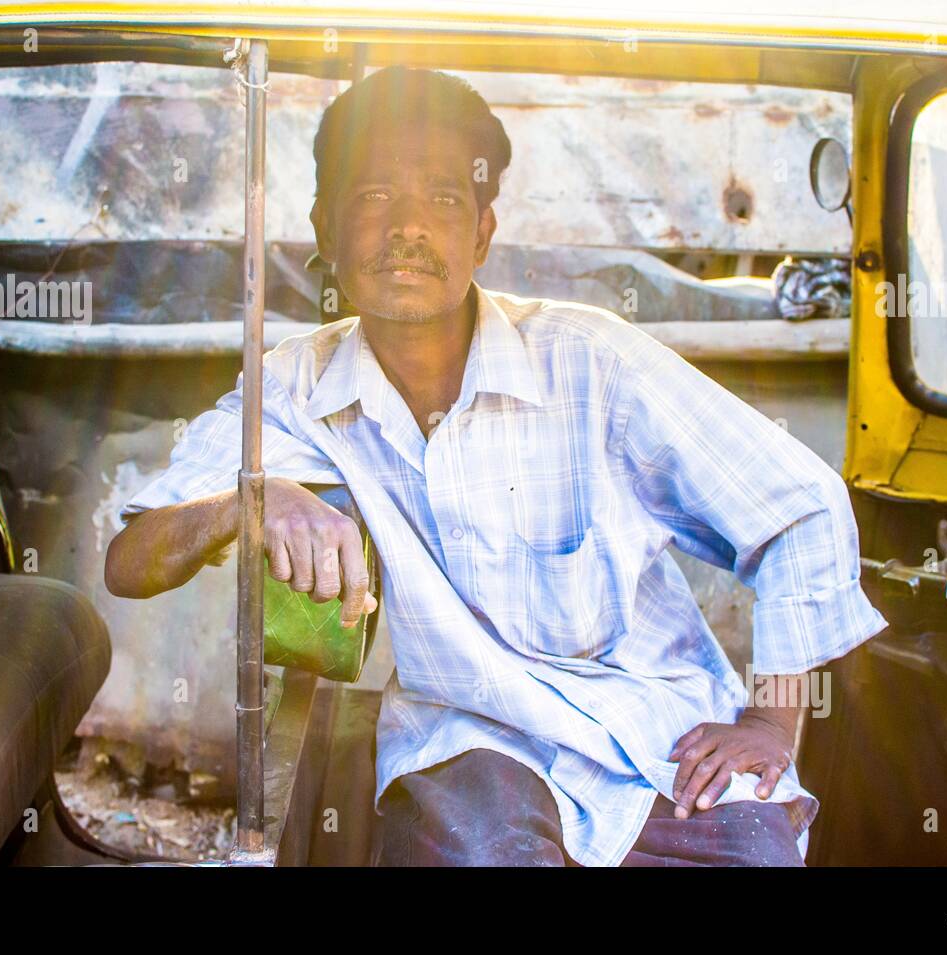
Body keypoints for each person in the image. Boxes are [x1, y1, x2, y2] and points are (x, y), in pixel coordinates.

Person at [104, 66, 887, 867]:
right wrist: (253, 498)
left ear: (482, 232)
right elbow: (131, 562)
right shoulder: (291, 390)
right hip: (466, 737)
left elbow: (803, 510)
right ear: (326, 228)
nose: (408, 227)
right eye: (375, 196)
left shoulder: (591, 362)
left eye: (443, 199)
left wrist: (769, 722)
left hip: (659, 731)